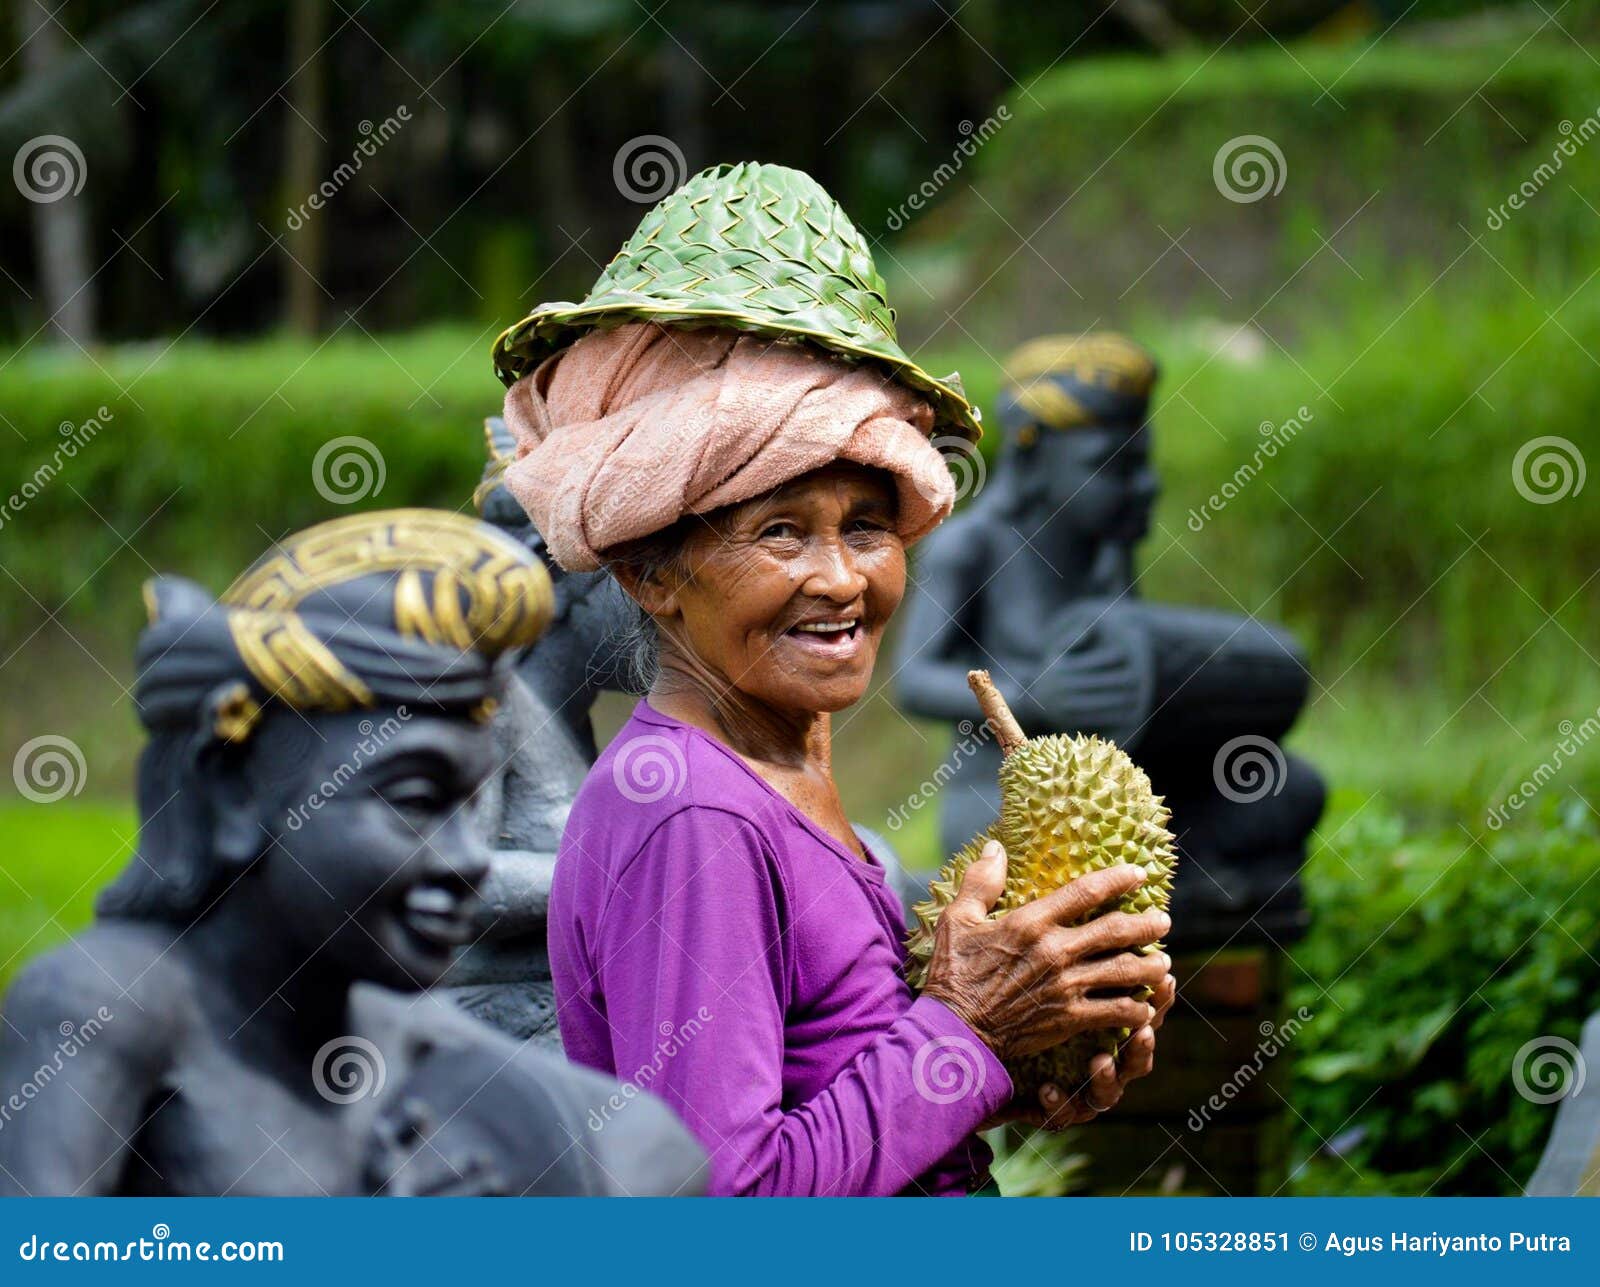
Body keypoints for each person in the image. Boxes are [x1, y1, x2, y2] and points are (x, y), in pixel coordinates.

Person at [492, 162, 1176, 1197]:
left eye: (866, 525)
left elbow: (837, 1090)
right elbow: (720, 1211)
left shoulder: (784, 784)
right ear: (649, 572)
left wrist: (1021, 1065)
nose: (841, 577)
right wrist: (968, 1028)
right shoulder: (690, 817)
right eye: (779, 532)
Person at [0, 510, 705, 1196]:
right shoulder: (104, 1006)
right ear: (234, 790)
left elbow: (661, 1157)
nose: (469, 858)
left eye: (471, 808)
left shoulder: (397, 1025)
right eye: (414, 802)